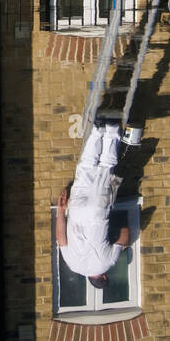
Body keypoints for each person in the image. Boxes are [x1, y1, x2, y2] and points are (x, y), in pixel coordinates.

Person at [55, 120, 130, 286]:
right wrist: (61, 211)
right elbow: (61, 239)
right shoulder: (73, 265)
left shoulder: (107, 263)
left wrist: (120, 227)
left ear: (104, 277)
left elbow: (124, 238)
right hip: (75, 211)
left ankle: (111, 130)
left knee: (105, 169)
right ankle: (97, 131)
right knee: (84, 169)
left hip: (97, 213)